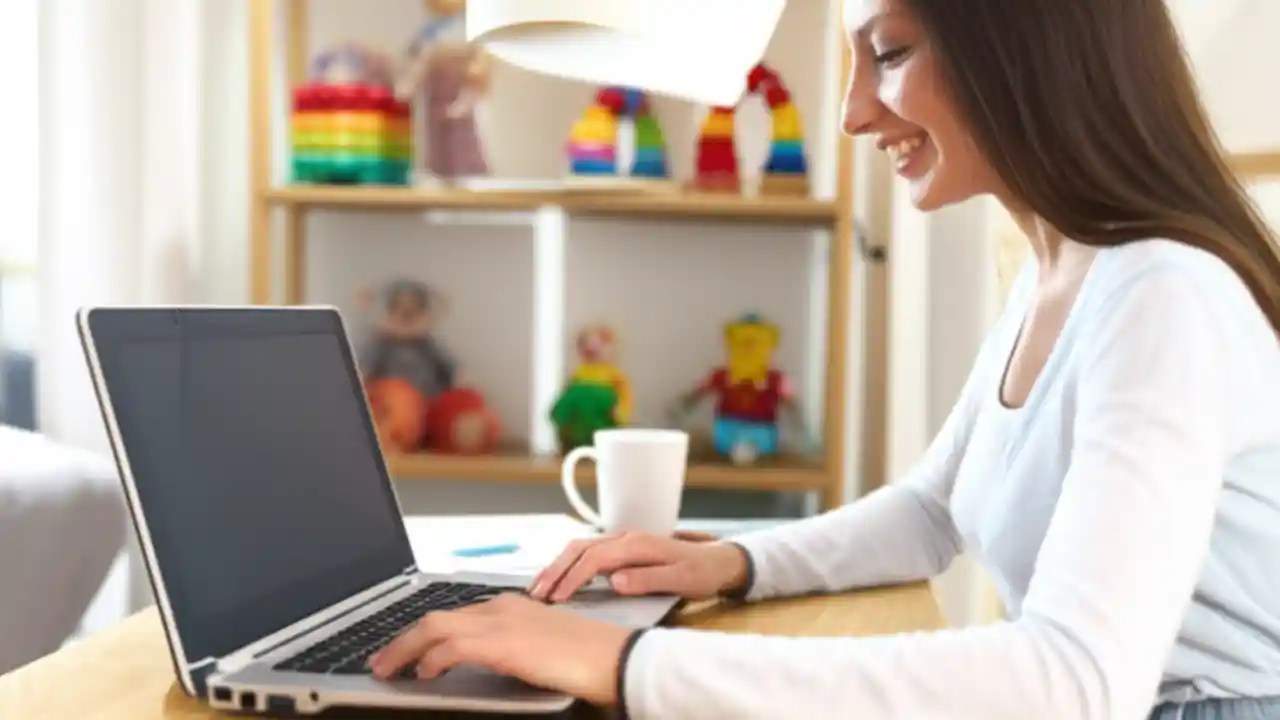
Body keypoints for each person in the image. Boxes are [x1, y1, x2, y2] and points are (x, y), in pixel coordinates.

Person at [367, 0, 1280, 717]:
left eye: (888, 53)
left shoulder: (1163, 294)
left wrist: (622, 660)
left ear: (1026, 48)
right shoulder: (1062, 271)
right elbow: (929, 513)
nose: (848, 112)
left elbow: (1075, 682)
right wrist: (725, 562)